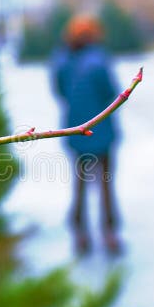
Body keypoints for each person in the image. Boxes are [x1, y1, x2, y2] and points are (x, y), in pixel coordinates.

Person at [51, 14, 123, 256]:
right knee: (105, 184)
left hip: (75, 129)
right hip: (101, 130)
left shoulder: (61, 60)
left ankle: (80, 232)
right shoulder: (99, 60)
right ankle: (109, 232)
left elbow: (59, 91)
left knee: (80, 184)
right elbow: (111, 93)